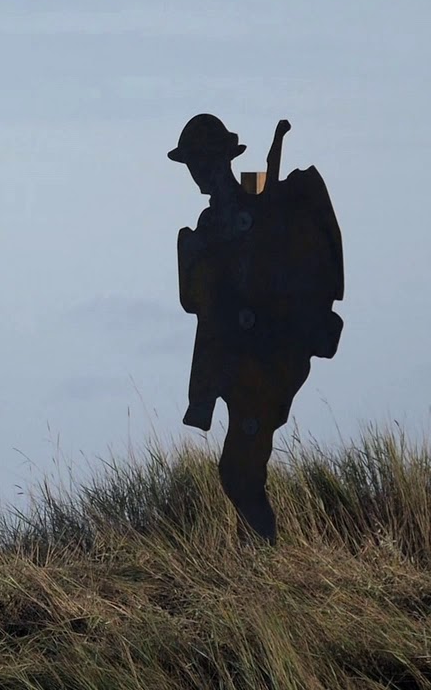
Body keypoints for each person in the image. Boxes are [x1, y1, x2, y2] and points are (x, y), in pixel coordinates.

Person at [170, 115, 344, 544]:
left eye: (198, 163)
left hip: (264, 362)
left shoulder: (249, 214)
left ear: (217, 161)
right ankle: (259, 560)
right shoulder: (215, 223)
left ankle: (263, 559)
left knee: (239, 473)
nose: (194, 174)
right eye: (191, 164)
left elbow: (255, 283)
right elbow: (197, 300)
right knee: (240, 472)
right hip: (237, 363)